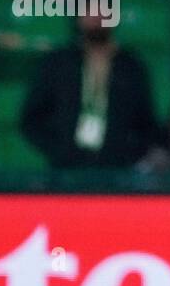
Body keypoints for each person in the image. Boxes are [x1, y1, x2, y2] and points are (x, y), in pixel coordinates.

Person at [21, 9, 159, 169]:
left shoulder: (131, 66)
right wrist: (59, 149)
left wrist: (126, 153)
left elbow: (147, 123)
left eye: (102, 11)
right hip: (65, 170)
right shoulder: (58, 64)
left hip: (116, 169)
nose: (96, 18)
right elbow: (31, 119)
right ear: (78, 17)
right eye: (90, 12)